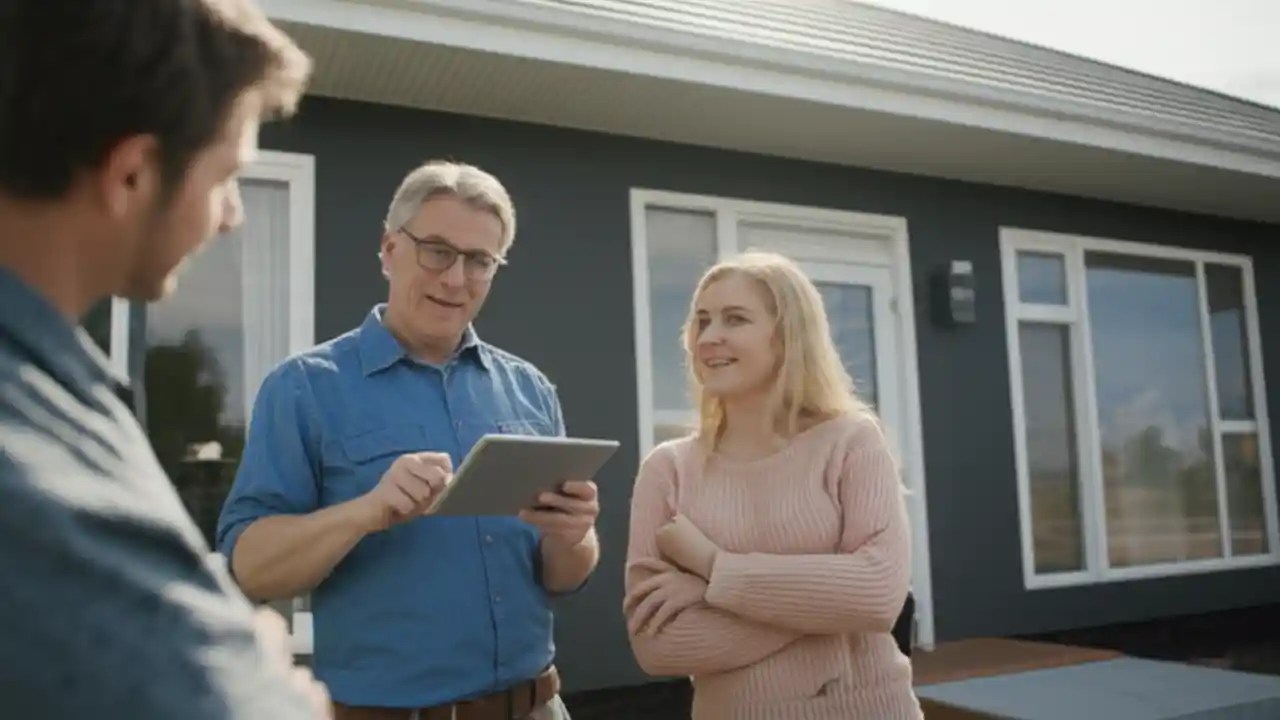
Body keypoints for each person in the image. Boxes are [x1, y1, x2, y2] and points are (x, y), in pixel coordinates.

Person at [0, 1, 329, 718]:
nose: (234, 213)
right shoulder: (28, 460)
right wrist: (267, 685)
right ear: (133, 175)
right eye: (225, 177)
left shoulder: (53, 383)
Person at [216, 160, 601, 720]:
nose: (455, 278)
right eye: (437, 250)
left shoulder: (531, 391)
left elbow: (564, 575)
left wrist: (574, 537)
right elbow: (250, 567)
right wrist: (365, 512)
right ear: (389, 249)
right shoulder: (304, 388)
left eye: (480, 261)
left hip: (539, 708)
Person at [622, 252, 924, 719]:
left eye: (735, 319)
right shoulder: (668, 470)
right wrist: (823, 602)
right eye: (701, 321)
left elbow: (879, 596)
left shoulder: (852, 441)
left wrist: (712, 573)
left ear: (788, 336)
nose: (710, 336)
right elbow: (658, 645)